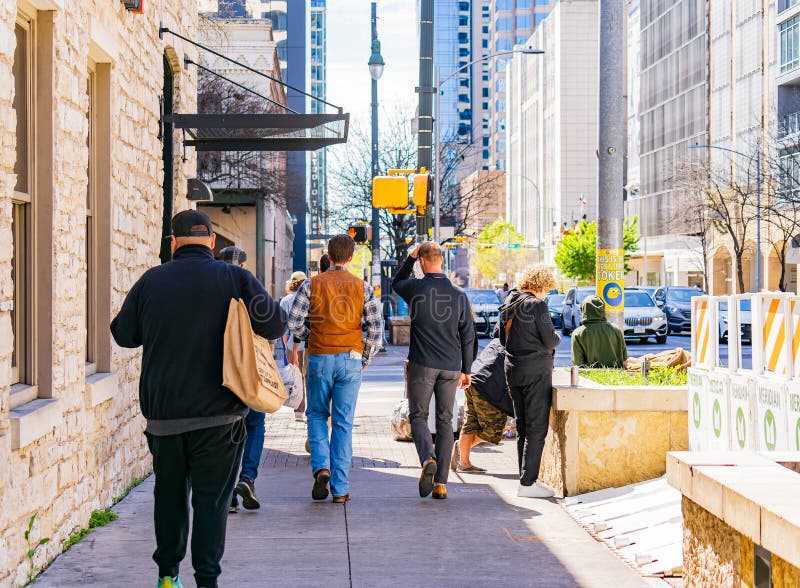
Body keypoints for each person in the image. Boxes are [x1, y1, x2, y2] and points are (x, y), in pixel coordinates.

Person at [110, 210, 286, 588]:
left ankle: (167, 576)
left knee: (169, 497)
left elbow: (123, 334)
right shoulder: (234, 278)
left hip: (165, 416)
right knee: (211, 502)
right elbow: (275, 323)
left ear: (172, 242)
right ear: (211, 242)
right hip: (219, 417)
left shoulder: (151, 281)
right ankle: (206, 580)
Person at [288, 234, 382, 503]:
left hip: (319, 356)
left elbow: (294, 322)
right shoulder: (362, 287)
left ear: (328, 255)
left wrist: (311, 335)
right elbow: (376, 329)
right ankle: (340, 490)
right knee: (343, 423)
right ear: (351, 257)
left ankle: (322, 467)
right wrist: (363, 359)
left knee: (316, 414)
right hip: (350, 358)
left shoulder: (312, 284)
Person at [392, 242, 475, 500]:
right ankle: (441, 484)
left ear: (423, 263)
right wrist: (466, 370)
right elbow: (468, 336)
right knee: (445, 420)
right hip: (451, 367)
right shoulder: (459, 295)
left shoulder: (416, 289)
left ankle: (428, 458)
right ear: (442, 261)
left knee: (418, 416)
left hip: (422, 363)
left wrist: (409, 259)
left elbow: (396, 282)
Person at [497, 267, 560, 499]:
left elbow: (501, 338)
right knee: (536, 428)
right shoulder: (537, 305)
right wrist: (558, 337)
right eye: (548, 288)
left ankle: (523, 479)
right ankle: (528, 482)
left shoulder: (509, 302)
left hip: (513, 371)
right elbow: (550, 339)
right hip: (536, 372)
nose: (548, 293)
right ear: (542, 284)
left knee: (522, 426)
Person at [451, 338, 514, 474]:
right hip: (486, 386)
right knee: (494, 427)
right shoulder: (517, 343)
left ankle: (464, 462)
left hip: (473, 379)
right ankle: (462, 452)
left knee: (471, 423)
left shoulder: (498, 340)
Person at [280, 271, 309, 422]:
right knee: (310, 377)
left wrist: (284, 343)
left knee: (297, 378)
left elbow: (283, 326)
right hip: (310, 344)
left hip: (292, 344)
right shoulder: (310, 298)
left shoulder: (285, 300)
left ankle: (299, 411)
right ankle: (313, 411)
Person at [571, 295, 628, 368]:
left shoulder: (577, 333)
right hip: (616, 377)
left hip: (590, 377)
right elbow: (624, 358)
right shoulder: (616, 330)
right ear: (603, 310)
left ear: (584, 311)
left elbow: (578, 363)